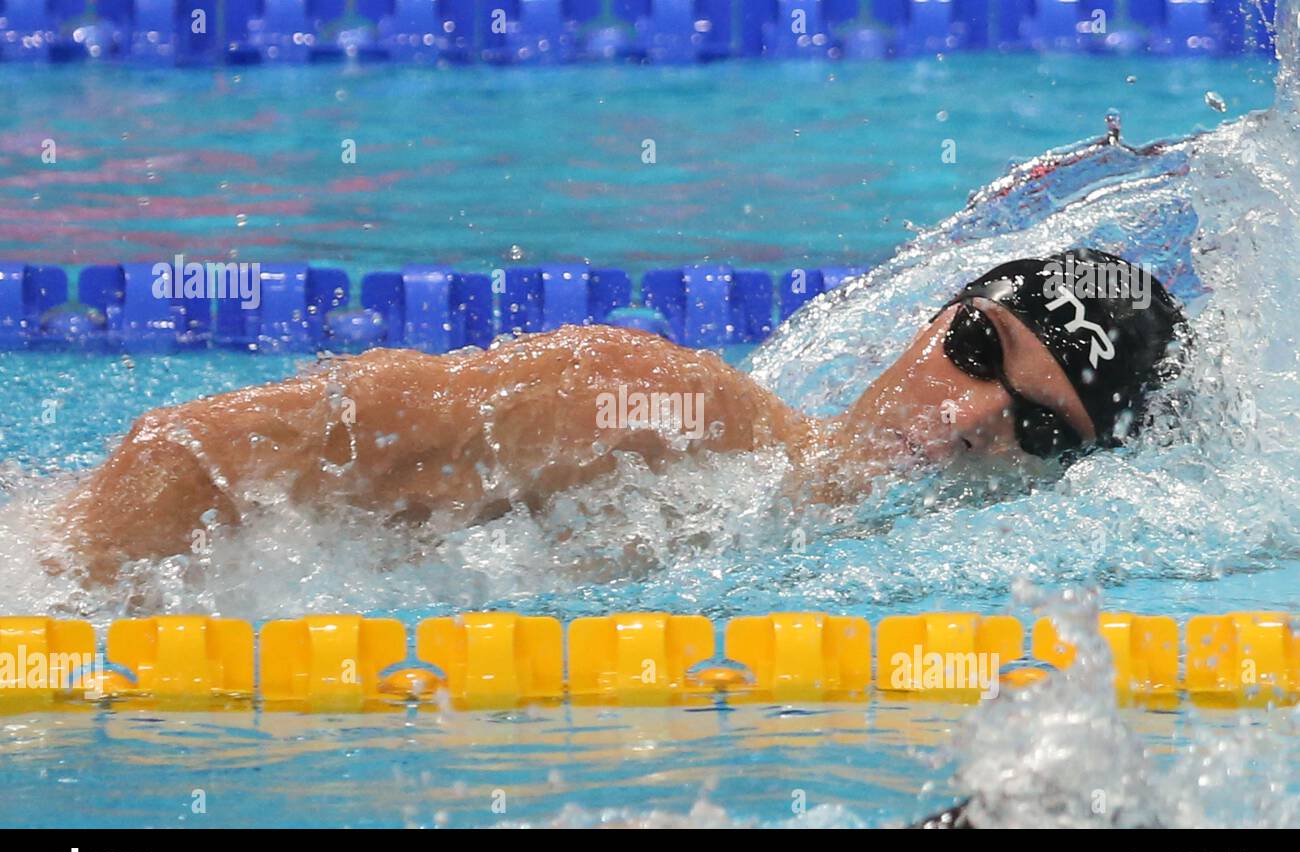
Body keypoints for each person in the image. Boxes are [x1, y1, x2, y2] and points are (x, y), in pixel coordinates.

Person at [52, 249, 1188, 584]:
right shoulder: (651, 409)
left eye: (1039, 428)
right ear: (933, 317)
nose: (962, 420)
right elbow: (192, 451)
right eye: (976, 350)